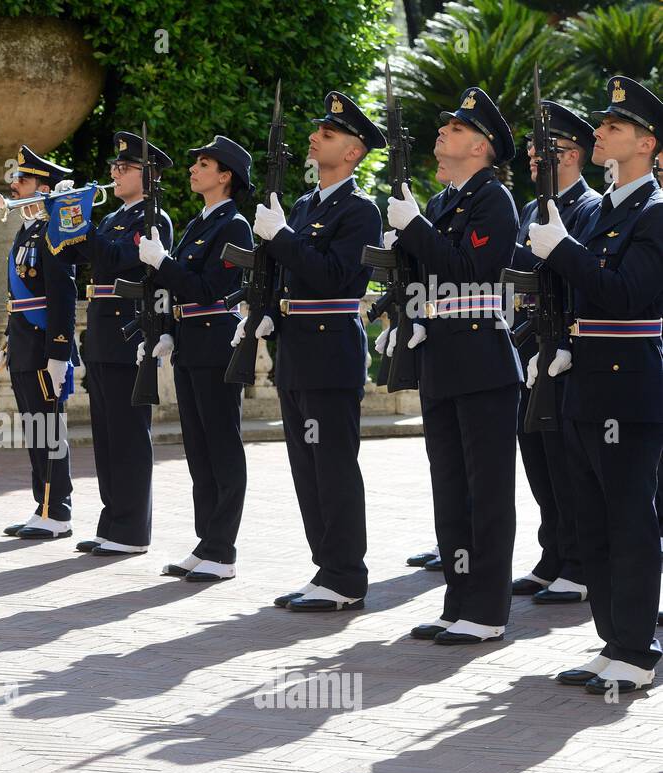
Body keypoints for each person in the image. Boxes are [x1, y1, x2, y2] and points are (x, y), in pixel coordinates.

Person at [529, 76, 663, 694]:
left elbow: (628, 294)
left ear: (646, 143)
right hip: (584, 376)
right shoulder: (606, 210)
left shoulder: (654, 213)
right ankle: (613, 638)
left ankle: (637, 645)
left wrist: (562, 253)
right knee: (594, 517)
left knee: (629, 517)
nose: (600, 133)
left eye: (612, 126)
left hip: (627, 384)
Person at [385, 87, 522, 645]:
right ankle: (457, 601)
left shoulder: (493, 200)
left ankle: (487, 610)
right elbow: (424, 276)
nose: (442, 133)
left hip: (482, 359)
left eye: (456, 129)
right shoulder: (444, 202)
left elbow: (470, 269)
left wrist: (413, 227)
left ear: (481, 146)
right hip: (440, 354)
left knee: (485, 492)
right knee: (449, 489)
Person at [251, 92, 384, 610]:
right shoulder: (305, 207)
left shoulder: (361, 212)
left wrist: (282, 239)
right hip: (296, 351)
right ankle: (324, 569)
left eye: (328, 135)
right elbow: (287, 273)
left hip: (331, 353)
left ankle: (347, 575)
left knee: (333, 466)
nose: (314, 138)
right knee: (305, 469)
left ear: (352, 153)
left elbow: (336, 277)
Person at [48, 131, 173, 557]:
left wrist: (79, 222)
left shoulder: (152, 219)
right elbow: (73, 256)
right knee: (106, 434)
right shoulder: (116, 216)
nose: (115, 173)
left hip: (129, 333)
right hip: (102, 331)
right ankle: (113, 521)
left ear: (148, 174)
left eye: (125, 167)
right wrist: (60, 219)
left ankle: (133, 529)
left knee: (129, 435)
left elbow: (117, 260)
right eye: (114, 167)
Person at [136, 135, 252, 582]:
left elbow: (208, 290)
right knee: (198, 450)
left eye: (203, 164)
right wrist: (166, 330)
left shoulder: (234, 226)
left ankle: (223, 550)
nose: (193, 169)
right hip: (189, 342)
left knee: (222, 446)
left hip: (215, 343)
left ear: (225, 176)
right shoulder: (198, 223)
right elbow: (182, 290)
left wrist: (163, 262)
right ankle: (206, 542)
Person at [510, 102, 601, 605]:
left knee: (568, 463)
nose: (532, 159)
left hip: (566, 349)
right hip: (532, 345)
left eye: (541, 151)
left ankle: (580, 564)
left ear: (571, 155)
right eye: (529, 151)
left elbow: (580, 280)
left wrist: (563, 343)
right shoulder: (531, 209)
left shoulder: (588, 208)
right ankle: (553, 555)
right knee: (539, 459)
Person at [0, 146, 79, 541]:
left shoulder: (55, 230)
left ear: (44, 188)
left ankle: (57, 509)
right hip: (25, 342)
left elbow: (62, 295)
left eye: (23, 181)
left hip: (45, 344)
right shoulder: (27, 230)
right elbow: (20, 296)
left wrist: (60, 352)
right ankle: (42, 506)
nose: (14, 185)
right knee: (34, 428)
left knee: (49, 428)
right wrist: (8, 343)